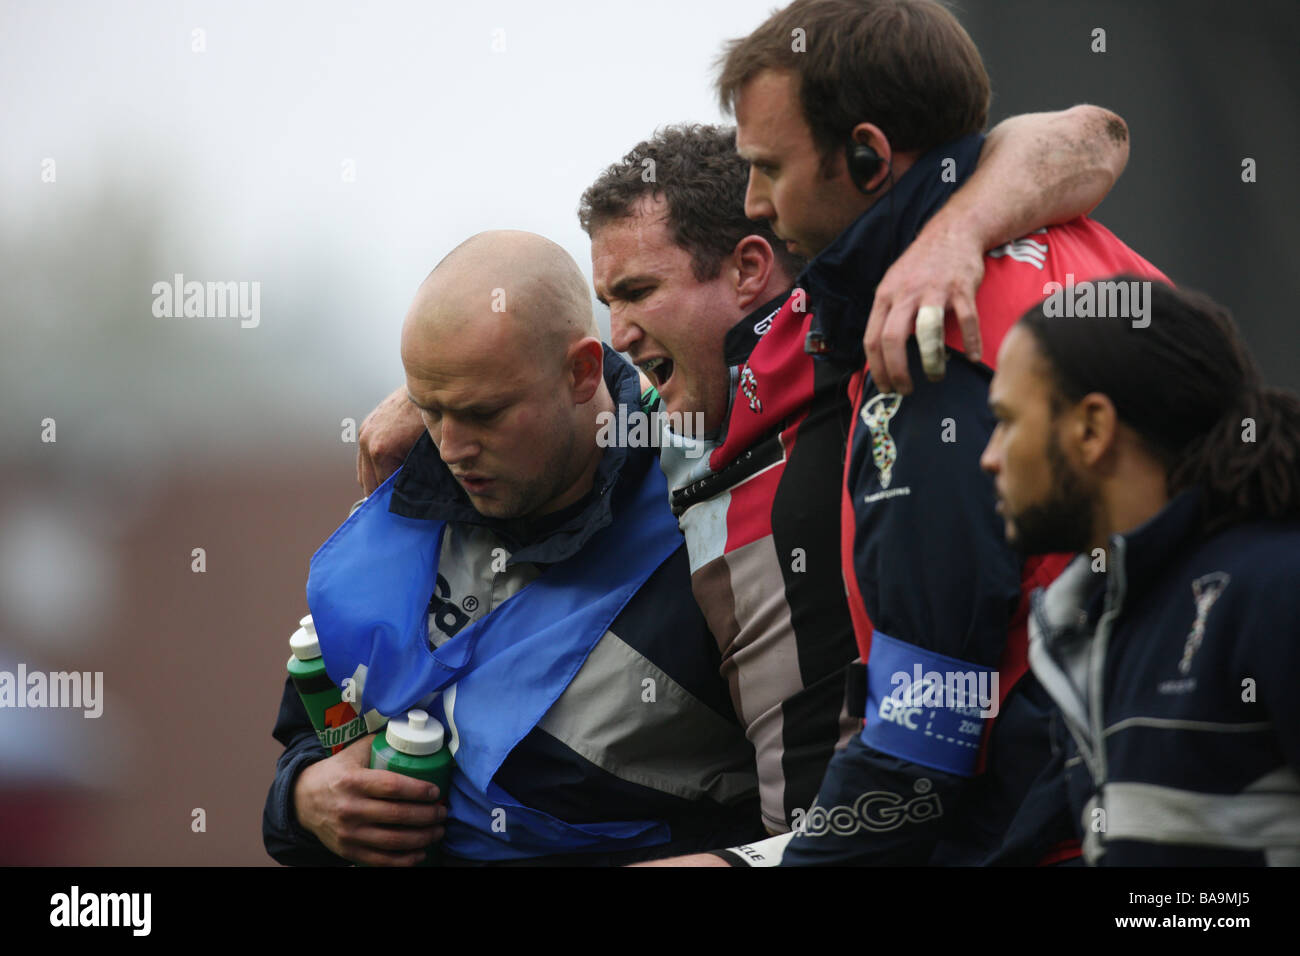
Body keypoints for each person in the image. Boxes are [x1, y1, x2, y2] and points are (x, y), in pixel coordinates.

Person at [358, 109, 1128, 856]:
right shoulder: (670, 423)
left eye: (637, 292)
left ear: (752, 268)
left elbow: (1093, 133)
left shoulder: (866, 331)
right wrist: (446, 400)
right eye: (609, 303)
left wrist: (951, 236)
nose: (618, 333)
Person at [703, 0, 1168, 866]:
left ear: (869, 157)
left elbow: (923, 753)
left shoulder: (924, 351)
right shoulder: (1093, 247)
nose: (753, 203)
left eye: (768, 167)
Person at [263, 230, 762, 866]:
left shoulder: (711, 523)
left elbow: (825, 820)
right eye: (430, 409)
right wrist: (303, 799)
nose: (450, 447)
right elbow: (311, 733)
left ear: (583, 372)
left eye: (484, 412)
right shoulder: (408, 501)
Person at [980, 279, 1300, 865]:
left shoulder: (1276, 588)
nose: (989, 456)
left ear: (1092, 429)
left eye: (1005, 420)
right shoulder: (1096, 621)